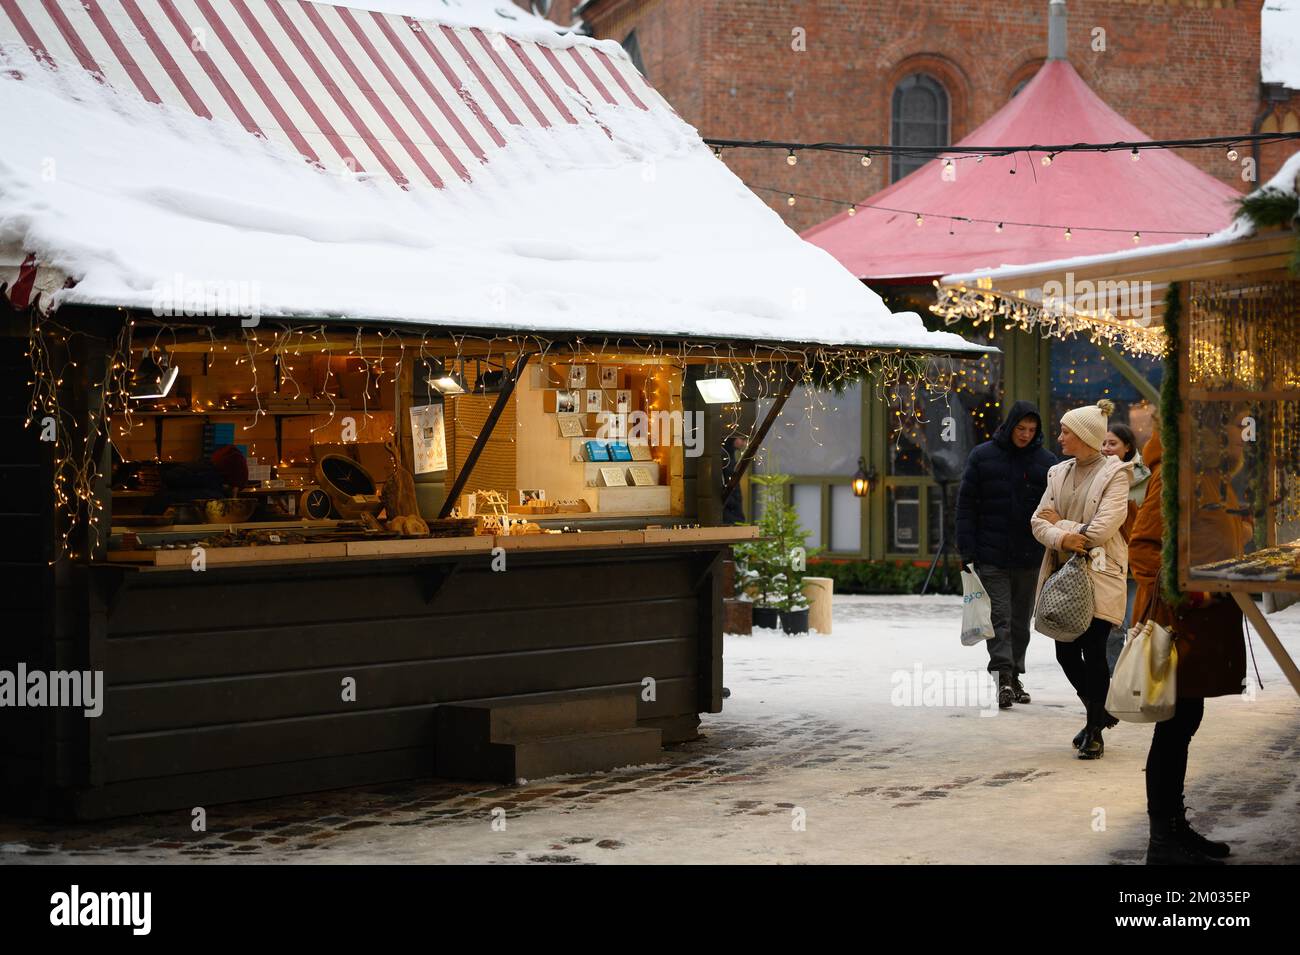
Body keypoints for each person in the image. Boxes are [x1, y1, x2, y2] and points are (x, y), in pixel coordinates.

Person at [1129, 422, 1248, 864]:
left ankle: (1173, 828)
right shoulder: (1176, 473)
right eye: (1232, 429)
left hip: (1200, 620)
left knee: (1183, 723)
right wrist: (1189, 589)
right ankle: (1163, 839)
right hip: (1178, 622)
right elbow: (1143, 547)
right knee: (1174, 726)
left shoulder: (1211, 474)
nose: (1239, 437)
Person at [1030, 398, 1132, 759]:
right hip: (1063, 573)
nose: (1059, 438)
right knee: (1065, 653)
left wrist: (1062, 526)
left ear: (1086, 438)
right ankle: (1099, 712)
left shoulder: (1116, 474)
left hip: (1101, 572)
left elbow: (1104, 528)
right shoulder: (1057, 473)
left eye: (1065, 432)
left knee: (1093, 649)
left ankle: (1094, 731)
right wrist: (1063, 537)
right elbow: (1037, 520)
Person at [956, 401, 1057, 708]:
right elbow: (966, 506)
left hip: (1030, 556)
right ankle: (1002, 678)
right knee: (999, 617)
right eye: (1020, 428)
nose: (1025, 435)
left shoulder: (1046, 461)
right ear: (1010, 425)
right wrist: (966, 550)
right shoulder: (983, 456)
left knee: (1020, 622)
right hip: (991, 555)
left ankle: (1014, 676)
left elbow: (1053, 508)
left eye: (1031, 430)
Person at [1099, 421, 1152, 671]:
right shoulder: (1095, 473)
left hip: (1134, 563)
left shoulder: (1146, 475)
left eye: (1113, 443)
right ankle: (1112, 680)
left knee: (1134, 622)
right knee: (1112, 626)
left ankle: (1134, 677)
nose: (1107, 448)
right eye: (1104, 443)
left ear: (1127, 446)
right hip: (1106, 561)